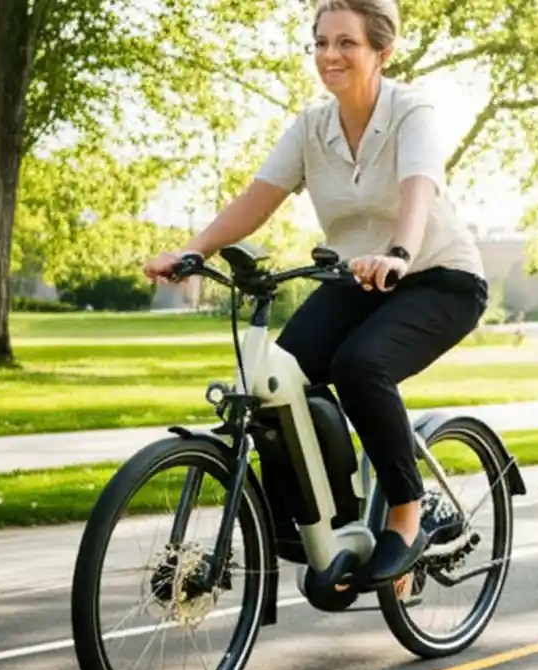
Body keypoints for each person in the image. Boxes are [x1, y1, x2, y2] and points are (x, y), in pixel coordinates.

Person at [142, 0, 487, 586]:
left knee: (360, 365)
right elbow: (257, 198)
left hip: (438, 277)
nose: (330, 55)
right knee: (281, 379)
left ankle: (407, 517)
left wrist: (399, 254)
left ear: (382, 52)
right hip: (358, 278)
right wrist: (192, 250)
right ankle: (331, 521)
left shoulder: (411, 112)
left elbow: (418, 191)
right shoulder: (312, 127)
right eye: (321, 42)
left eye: (346, 43)